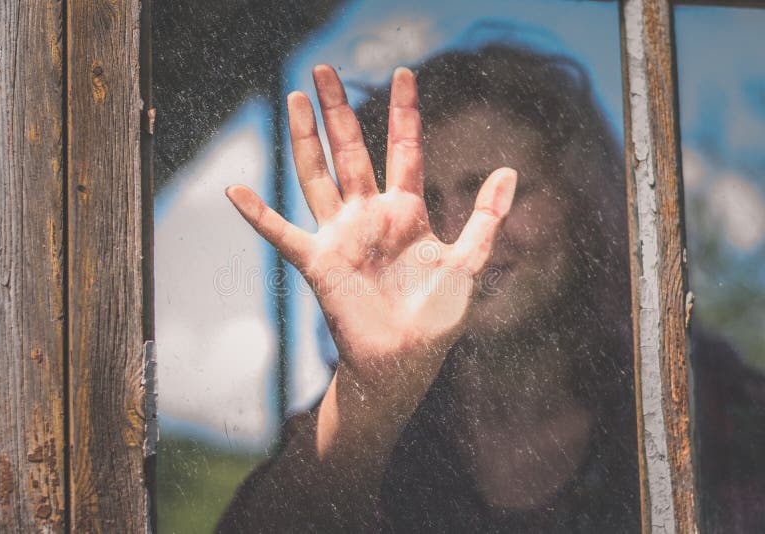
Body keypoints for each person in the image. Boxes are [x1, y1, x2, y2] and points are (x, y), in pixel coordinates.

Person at [217, 44, 641, 532]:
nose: (460, 229)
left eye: (495, 191)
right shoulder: (362, 419)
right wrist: (370, 401)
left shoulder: (701, 400)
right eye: (428, 200)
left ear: (580, 202)